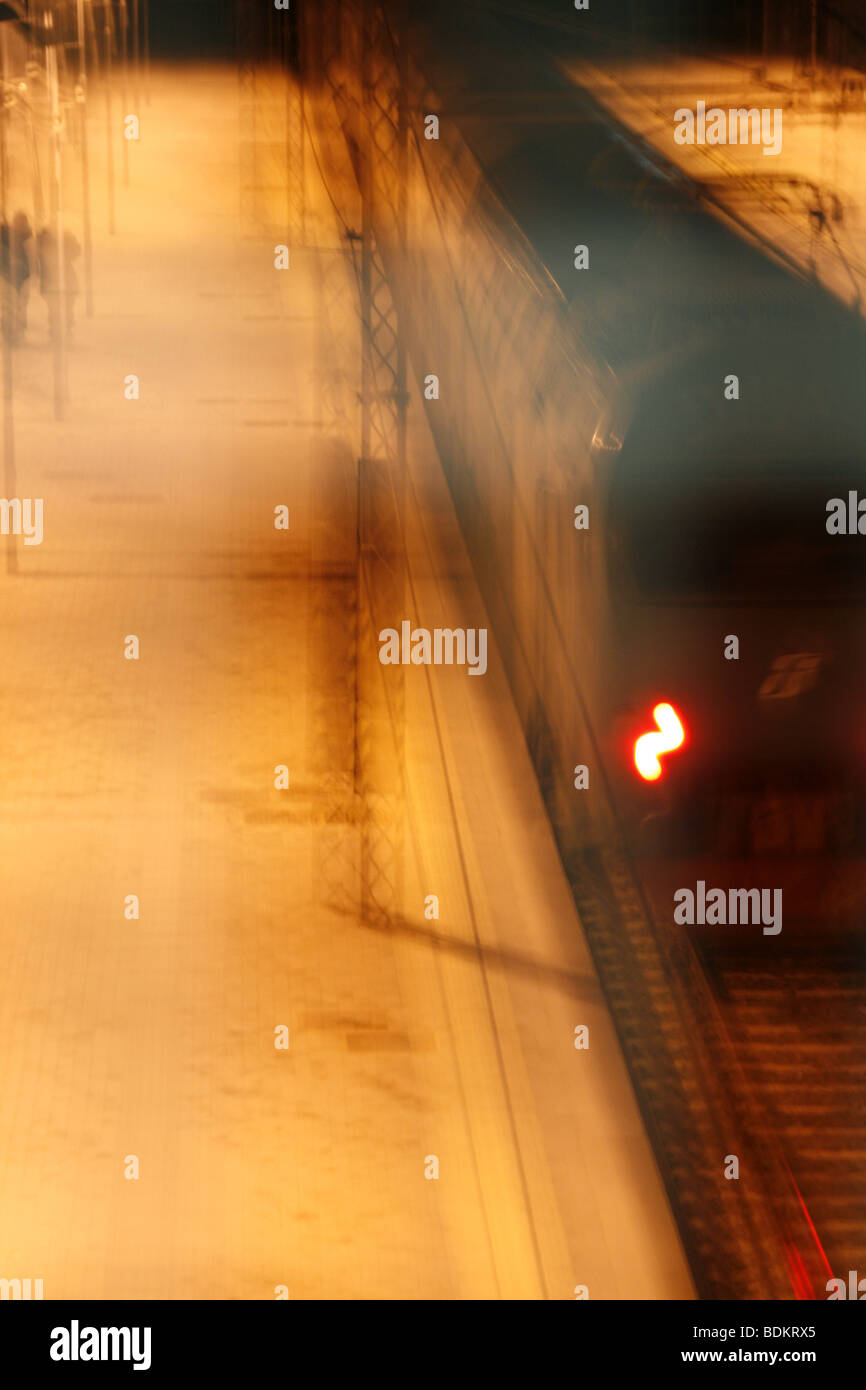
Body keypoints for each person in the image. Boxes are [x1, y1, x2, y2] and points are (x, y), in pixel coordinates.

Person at [37, 224, 80, 342]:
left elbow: (76, 251)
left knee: (55, 310)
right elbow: (76, 251)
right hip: (65, 282)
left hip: (53, 283)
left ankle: (58, 333)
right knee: (63, 309)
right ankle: (63, 333)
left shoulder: (43, 242)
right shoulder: (55, 242)